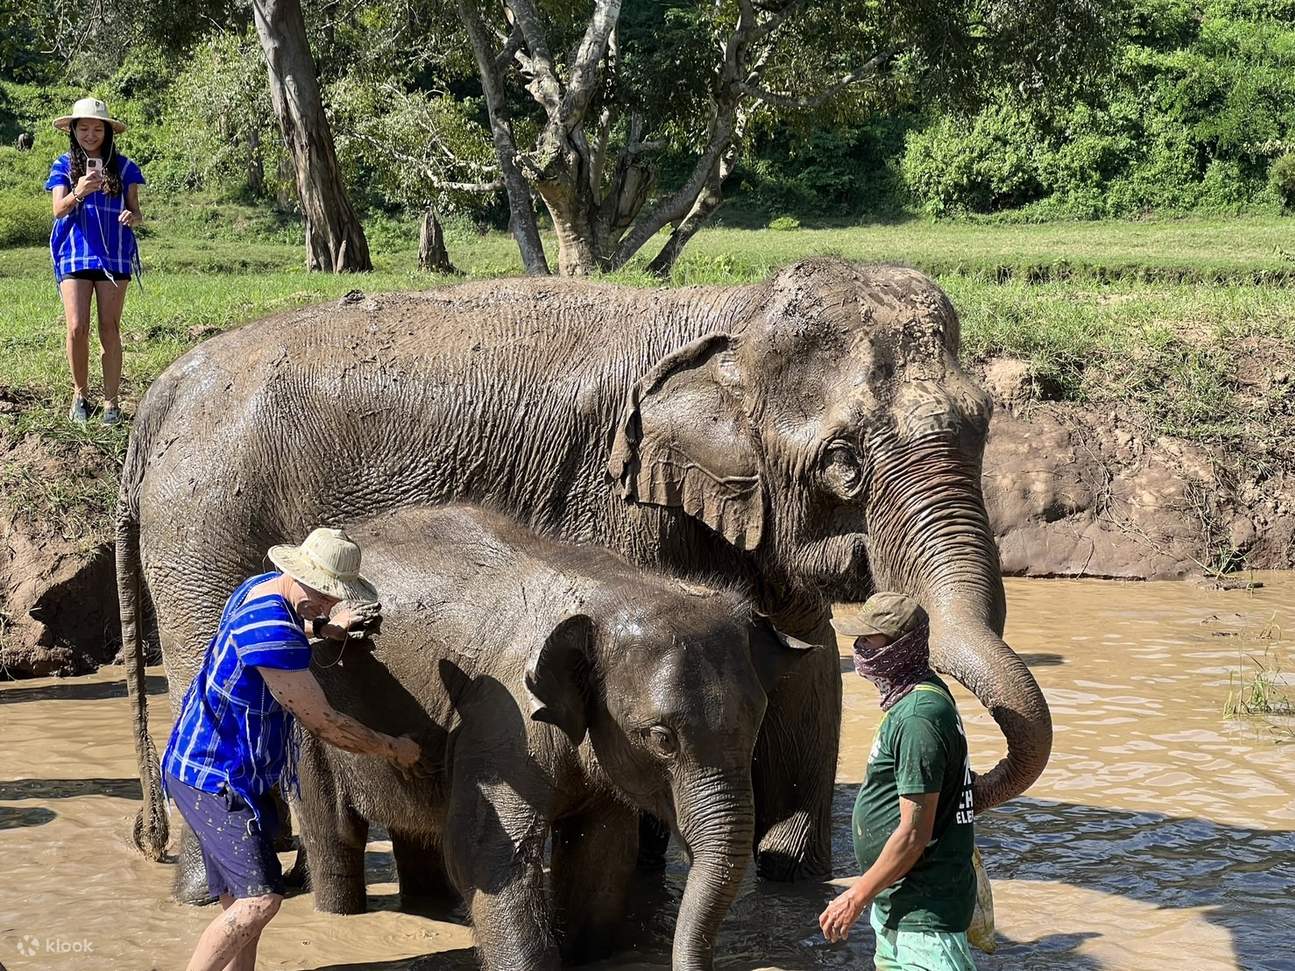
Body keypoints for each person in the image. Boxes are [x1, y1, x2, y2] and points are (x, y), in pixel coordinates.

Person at [162, 527, 424, 971]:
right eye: (320, 595)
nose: (326, 605)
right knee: (261, 900)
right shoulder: (271, 633)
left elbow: (292, 621)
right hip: (215, 777)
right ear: (297, 574)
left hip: (211, 762)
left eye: (333, 598)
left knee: (239, 899)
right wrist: (395, 749)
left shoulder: (262, 587)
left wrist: (322, 627)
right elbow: (327, 725)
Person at [819, 592, 978, 970]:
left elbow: (913, 835)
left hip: (925, 916)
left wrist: (855, 896)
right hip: (898, 904)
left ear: (900, 648)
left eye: (868, 640)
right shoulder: (915, 699)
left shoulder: (918, 717)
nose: (859, 649)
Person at [44, 97, 145, 425]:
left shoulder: (125, 168)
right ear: (73, 130)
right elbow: (58, 210)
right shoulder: (63, 166)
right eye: (84, 128)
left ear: (107, 132)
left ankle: (111, 403)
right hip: (74, 252)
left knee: (109, 328)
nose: (90, 135)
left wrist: (132, 216)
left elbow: (136, 211)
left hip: (114, 255)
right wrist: (80, 191)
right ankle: (80, 395)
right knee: (77, 327)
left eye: (97, 129)